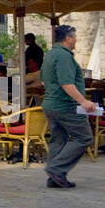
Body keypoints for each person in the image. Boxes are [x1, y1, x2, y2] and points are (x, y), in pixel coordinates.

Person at [40, 24, 96, 189]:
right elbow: (67, 83)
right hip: (66, 106)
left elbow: (43, 80)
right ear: (68, 38)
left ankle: (55, 177)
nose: (76, 40)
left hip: (50, 104)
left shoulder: (50, 55)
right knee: (84, 137)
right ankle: (56, 169)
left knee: (58, 139)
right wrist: (83, 101)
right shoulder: (64, 57)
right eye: (75, 37)